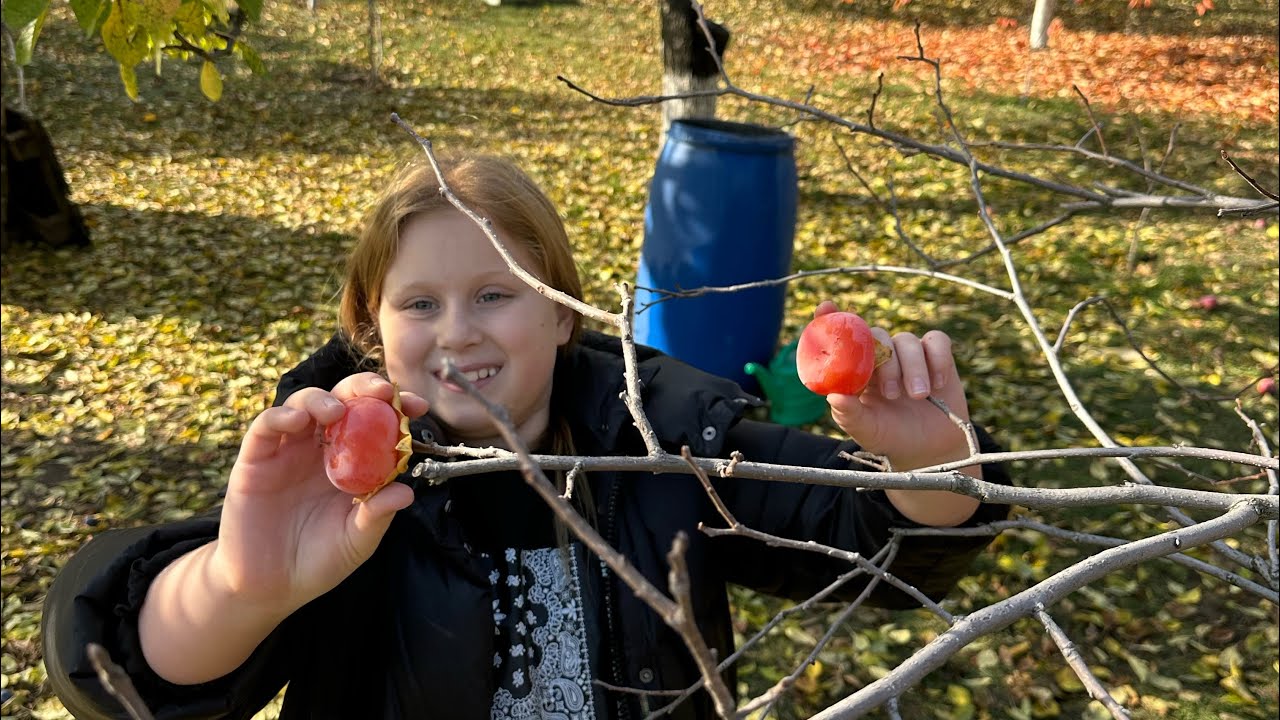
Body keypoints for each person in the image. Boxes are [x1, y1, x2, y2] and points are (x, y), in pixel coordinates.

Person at [43, 154, 1012, 719]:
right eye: (418, 302)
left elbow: (862, 542)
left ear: (561, 315)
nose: (457, 330)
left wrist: (931, 469)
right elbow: (120, 660)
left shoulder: (662, 440)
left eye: (496, 294)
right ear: (368, 329)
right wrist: (239, 586)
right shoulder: (340, 487)